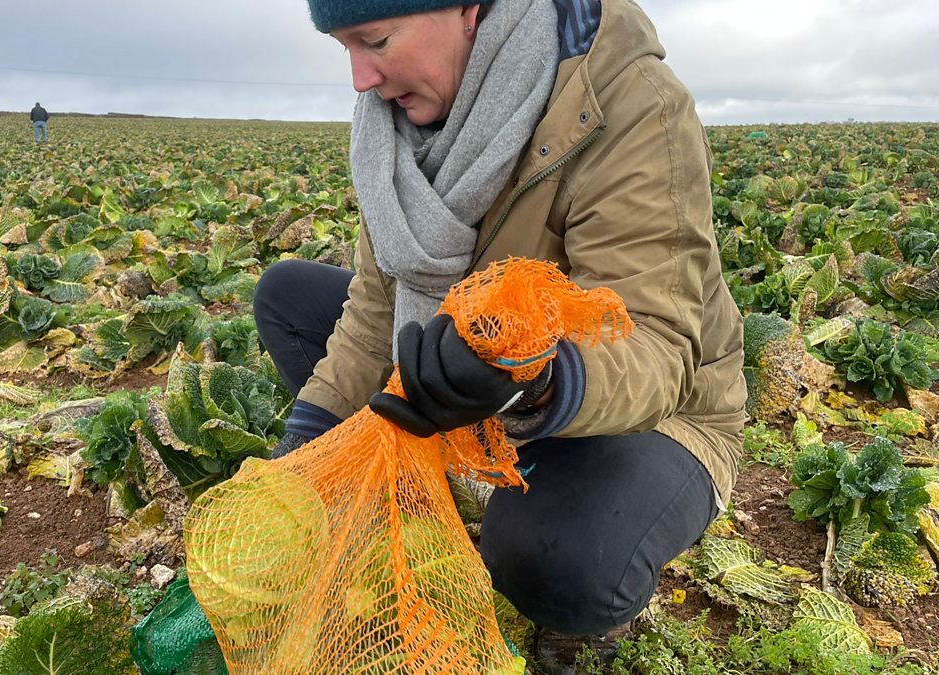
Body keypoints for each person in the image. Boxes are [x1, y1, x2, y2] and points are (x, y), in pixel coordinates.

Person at [252, 0, 746, 670]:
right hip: (476, 378)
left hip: (643, 407)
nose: (361, 80)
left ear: (468, 9)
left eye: (375, 40)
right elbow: (377, 304)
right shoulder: (390, 126)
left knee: (560, 559)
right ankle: (409, 475)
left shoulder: (625, 99)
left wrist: (533, 380)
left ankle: (570, 561)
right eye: (344, 49)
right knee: (287, 296)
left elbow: (653, 342)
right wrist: (304, 450)